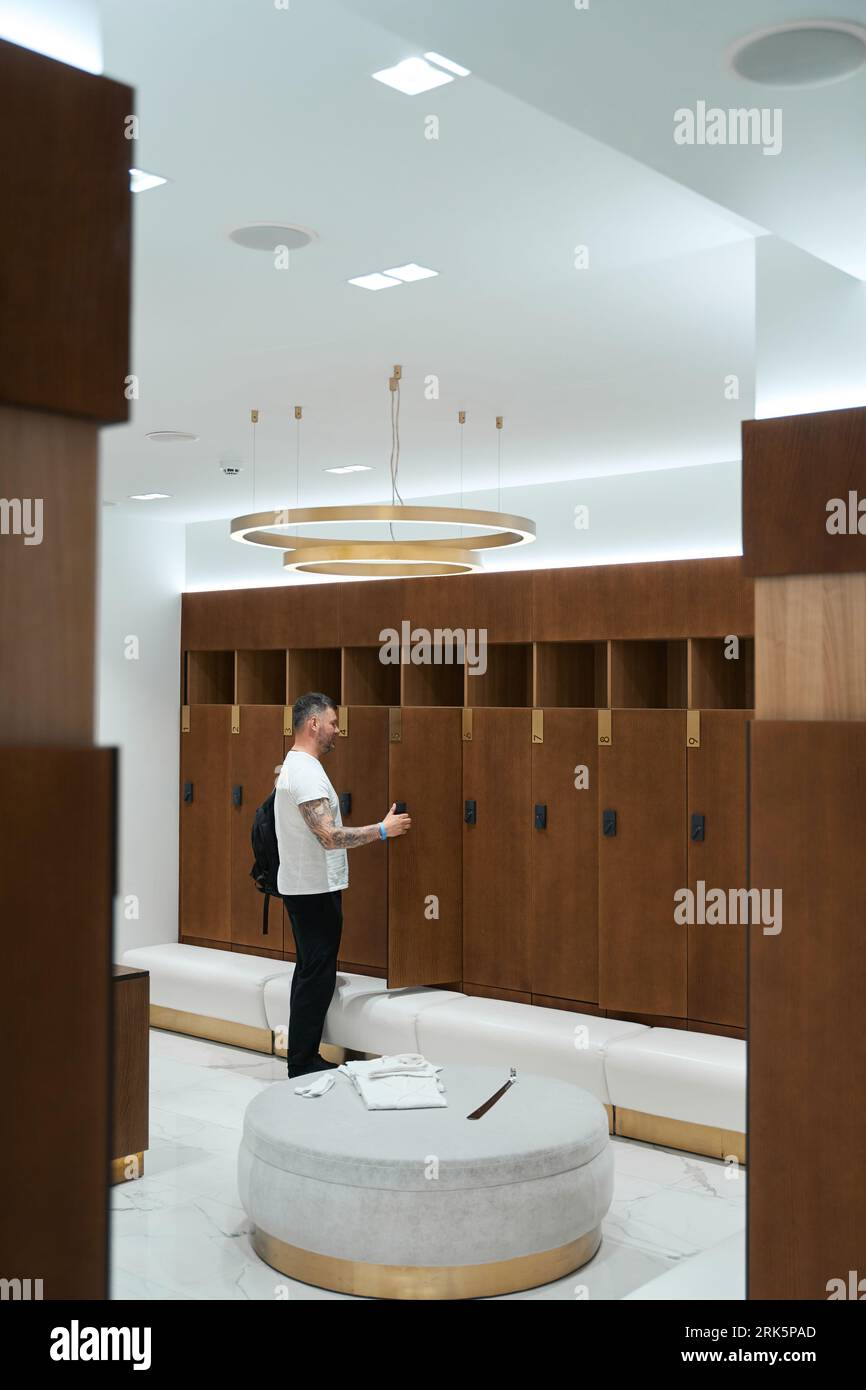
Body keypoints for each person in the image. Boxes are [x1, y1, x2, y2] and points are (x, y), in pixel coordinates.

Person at [275, 692, 411, 1078]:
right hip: (310, 890)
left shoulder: (301, 766)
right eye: (333, 722)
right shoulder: (304, 771)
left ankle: (302, 1056)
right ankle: (302, 1063)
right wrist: (382, 831)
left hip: (310, 886)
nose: (338, 730)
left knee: (313, 971)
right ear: (313, 723)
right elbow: (329, 836)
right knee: (314, 974)